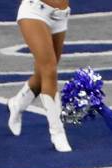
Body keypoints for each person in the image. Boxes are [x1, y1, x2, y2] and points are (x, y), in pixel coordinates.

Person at [6, 0, 73, 151]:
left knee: (44, 72)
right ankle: (57, 132)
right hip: (34, 11)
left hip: (61, 15)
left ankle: (17, 104)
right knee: (49, 69)